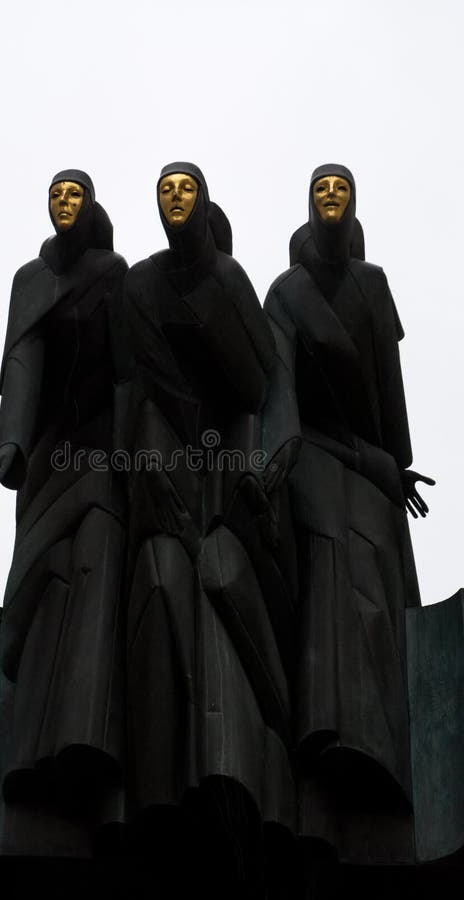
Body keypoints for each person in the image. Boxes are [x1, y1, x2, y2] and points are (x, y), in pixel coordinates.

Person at [123, 163, 299, 871]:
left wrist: (243, 474)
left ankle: (230, 775)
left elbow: (256, 386)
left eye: (186, 189)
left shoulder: (230, 288)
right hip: (170, 467)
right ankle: (163, 783)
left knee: (216, 586)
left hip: (225, 475)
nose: (175, 200)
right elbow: (141, 383)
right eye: (164, 188)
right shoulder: (139, 286)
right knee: (164, 579)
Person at [264, 163, 434, 808]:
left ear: (353, 203)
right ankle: (323, 728)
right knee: (330, 565)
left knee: (375, 575)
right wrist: (277, 449)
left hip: (370, 462)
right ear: (309, 205)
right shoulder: (284, 293)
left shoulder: (372, 284)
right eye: (320, 189)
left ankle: (381, 739)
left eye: (341, 188)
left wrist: (397, 464)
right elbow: (277, 387)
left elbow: (390, 384)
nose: (330, 196)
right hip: (310, 454)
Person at [0, 169, 129, 817]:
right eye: (55, 197)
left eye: (74, 196)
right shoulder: (29, 281)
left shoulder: (114, 271)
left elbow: (127, 365)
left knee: (93, 572)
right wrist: (9, 443)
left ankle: (85, 734)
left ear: (89, 207)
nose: (64, 205)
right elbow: (22, 363)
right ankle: (31, 748)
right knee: (45, 582)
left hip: (100, 450)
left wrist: (127, 447)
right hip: (46, 458)